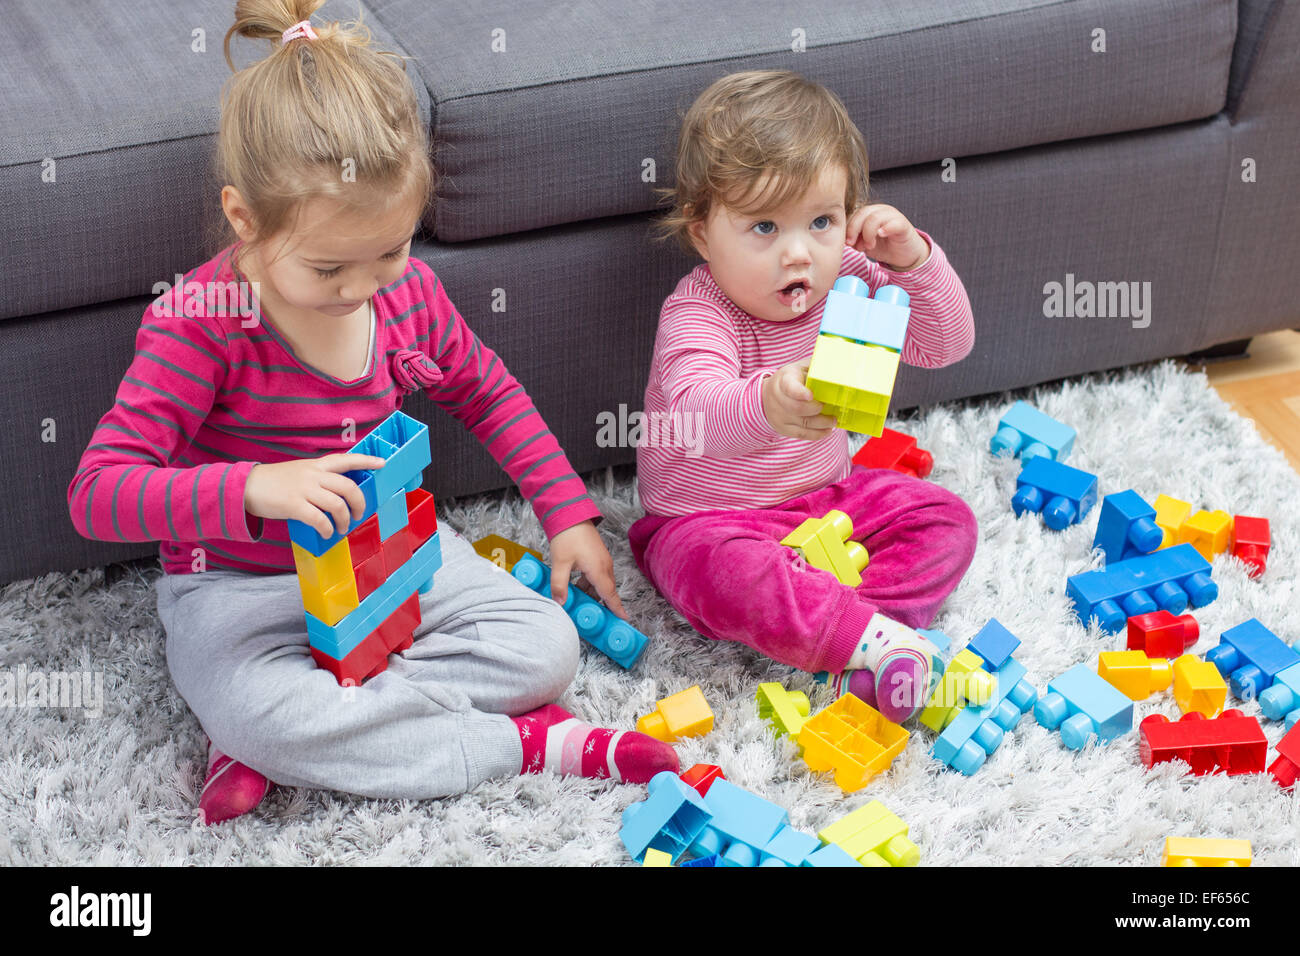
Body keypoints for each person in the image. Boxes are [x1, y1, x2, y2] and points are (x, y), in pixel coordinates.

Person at [67, 0, 676, 826]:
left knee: (549, 648)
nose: (362, 289)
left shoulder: (409, 297)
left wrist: (565, 510)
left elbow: (487, 391)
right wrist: (253, 488)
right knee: (263, 707)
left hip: (396, 560)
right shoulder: (199, 320)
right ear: (246, 220)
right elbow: (98, 491)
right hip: (242, 590)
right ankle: (532, 746)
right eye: (328, 269)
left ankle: (307, 729)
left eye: (390, 251)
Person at [630, 70, 979, 723]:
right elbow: (693, 412)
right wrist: (766, 405)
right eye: (764, 228)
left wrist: (912, 262)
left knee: (946, 520)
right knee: (713, 576)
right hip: (709, 521)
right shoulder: (699, 311)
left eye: (821, 221)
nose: (799, 255)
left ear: (848, 218)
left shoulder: (847, 273)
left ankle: (877, 636)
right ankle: (862, 638)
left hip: (825, 501)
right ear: (704, 233)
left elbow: (944, 345)